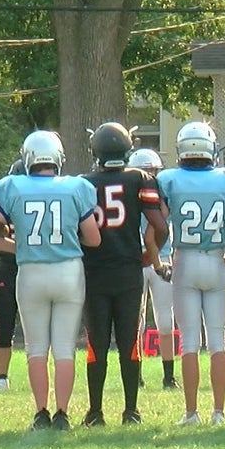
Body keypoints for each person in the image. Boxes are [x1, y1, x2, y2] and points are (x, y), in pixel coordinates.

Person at [0, 130, 100, 431]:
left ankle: (41, 412)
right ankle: (62, 413)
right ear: (58, 158)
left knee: (36, 348)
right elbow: (93, 238)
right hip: (68, 271)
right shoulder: (77, 187)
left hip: (31, 272)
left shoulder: (12, 186)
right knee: (65, 348)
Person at [79, 123, 169, 427]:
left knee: (97, 342)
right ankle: (131, 410)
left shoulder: (83, 183)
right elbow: (160, 225)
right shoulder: (139, 179)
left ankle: (95, 412)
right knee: (129, 341)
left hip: (94, 272)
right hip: (128, 270)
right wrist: (150, 254)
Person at [157, 122, 225, 426]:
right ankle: (219, 412)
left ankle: (191, 412)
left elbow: (160, 222)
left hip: (185, 261)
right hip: (217, 259)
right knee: (217, 340)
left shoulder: (170, 180)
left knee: (189, 342)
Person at [129, 148, 179, 390]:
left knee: (165, 319)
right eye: (144, 171)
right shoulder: (127, 195)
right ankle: (135, 373)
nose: (149, 175)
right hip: (136, 259)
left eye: (152, 171)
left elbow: (166, 216)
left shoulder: (162, 193)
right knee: (135, 320)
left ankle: (169, 375)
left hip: (162, 255)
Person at [0, 158, 25, 391]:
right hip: (11, 263)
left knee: (40, 325)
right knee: (5, 322)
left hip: (33, 265)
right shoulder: (5, 205)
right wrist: (18, 248)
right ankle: (2, 377)